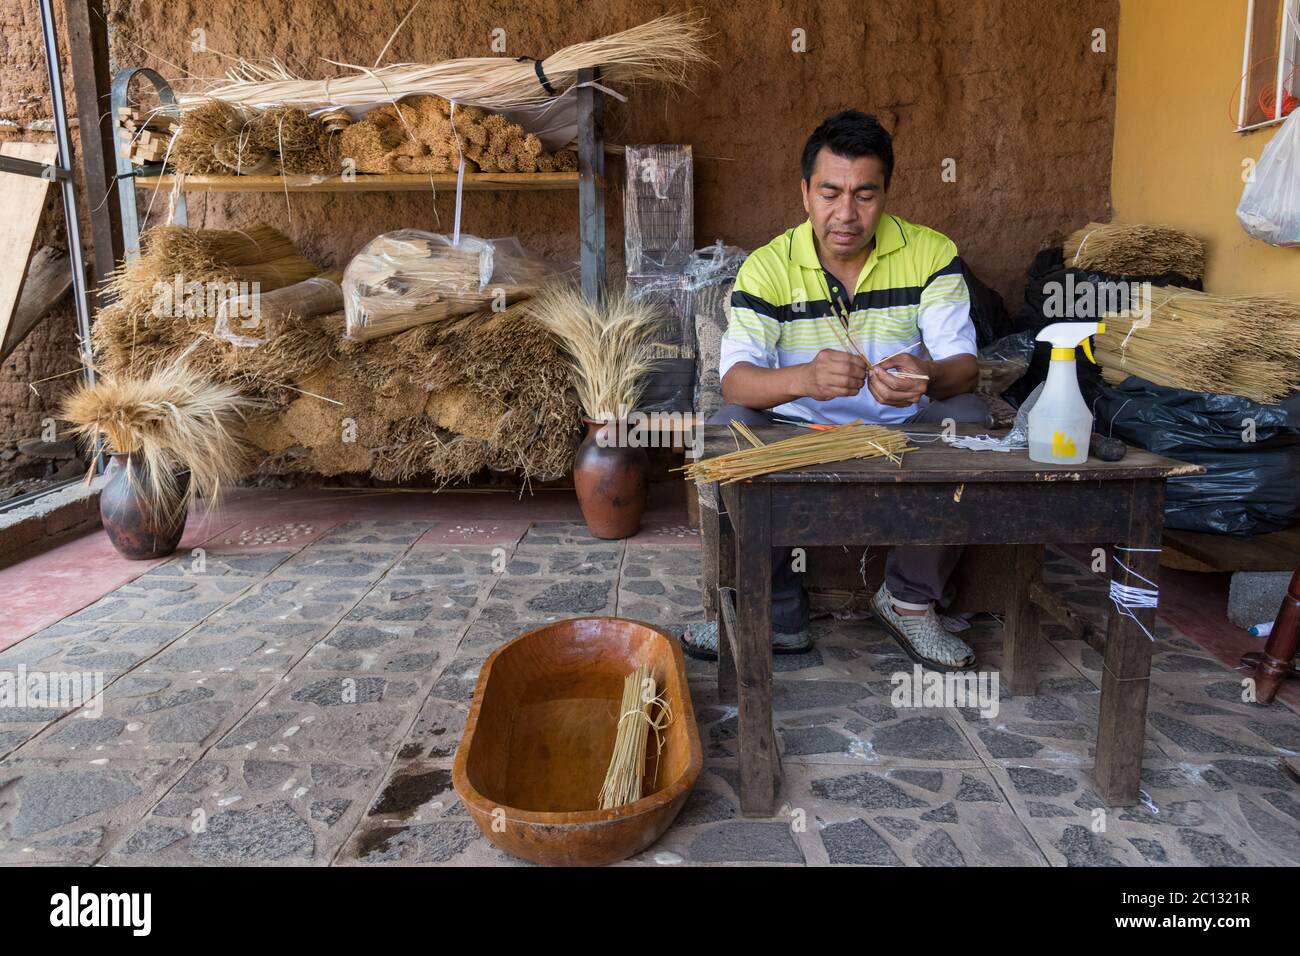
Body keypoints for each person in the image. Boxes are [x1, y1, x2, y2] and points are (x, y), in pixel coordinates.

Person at [692, 109, 990, 672]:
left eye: (864, 195)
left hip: (903, 430)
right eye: (830, 193)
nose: (846, 214)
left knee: (968, 418)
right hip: (798, 429)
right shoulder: (767, 268)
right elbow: (736, 381)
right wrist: (804, 379)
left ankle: (908, 602)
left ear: (886, 194)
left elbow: (964, 367)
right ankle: (774, 610)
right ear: (805, 193)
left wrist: (925, 373)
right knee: (731, 425)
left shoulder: (931, 254)